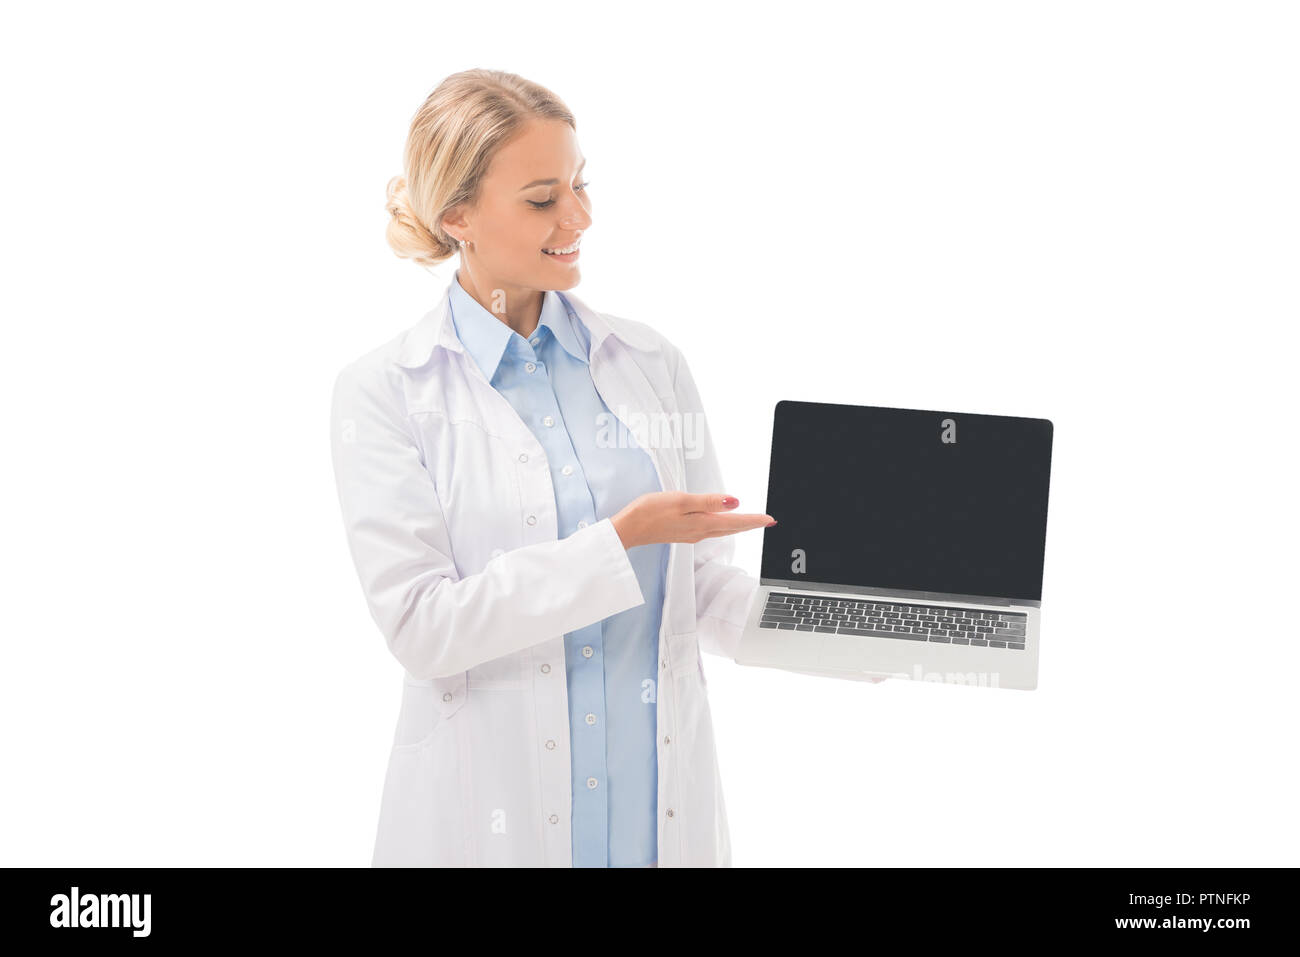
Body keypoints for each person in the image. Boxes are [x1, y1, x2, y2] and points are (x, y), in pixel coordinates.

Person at [330, 68, 773, 867]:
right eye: (543, 199)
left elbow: (699, 590)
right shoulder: (386, 391)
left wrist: (857, 631)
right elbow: (423, 627)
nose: (580, 217)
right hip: (488, 828)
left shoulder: (648, 362)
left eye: (579, 185)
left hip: (654, 830)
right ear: (457, 214)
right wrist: (619, 540)